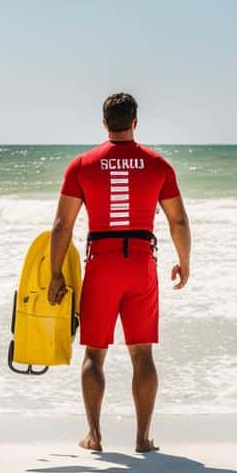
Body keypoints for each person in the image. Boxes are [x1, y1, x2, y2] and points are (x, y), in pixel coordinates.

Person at [47, 93, 191, 453]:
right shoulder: (158, 165)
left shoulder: (82, 165)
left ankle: (94, 435)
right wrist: (184, 260)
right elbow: (179, 219)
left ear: (104, 123)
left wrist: (55, 273)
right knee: (142, 355)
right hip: (141, 262)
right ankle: (142, 438)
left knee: (94, 354)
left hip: (102, 262)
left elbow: (63, 224)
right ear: (135, 121)